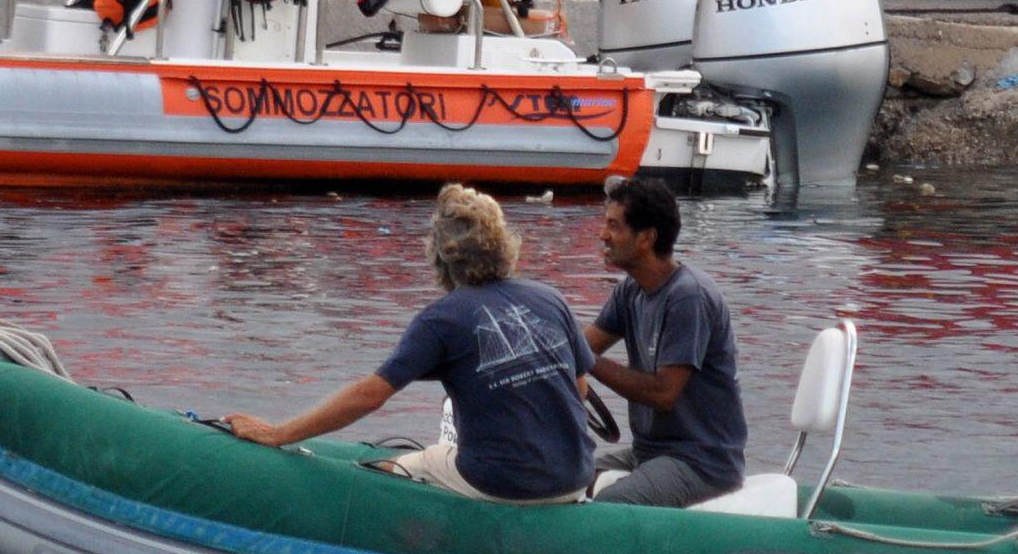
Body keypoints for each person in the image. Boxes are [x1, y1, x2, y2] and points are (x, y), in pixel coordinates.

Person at [225, 183, 596, 505]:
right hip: (576, 478)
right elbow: (577, 391)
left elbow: (370, 396)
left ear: (439, 255)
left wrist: (278, 434)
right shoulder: (551, 298)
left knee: (396, 467)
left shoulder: (442, 319)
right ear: (505, 245)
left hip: (501, 485)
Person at [583, 174, 749, 508]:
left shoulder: (689, 297)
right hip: (649, 453)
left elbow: (663, 394)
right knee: (559, 476)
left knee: (611, 504)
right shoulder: (629, 291)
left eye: (613, 226)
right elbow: (581, 345)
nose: (602, 235)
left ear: (646, 238)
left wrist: (583, 360)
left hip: (701, 463)